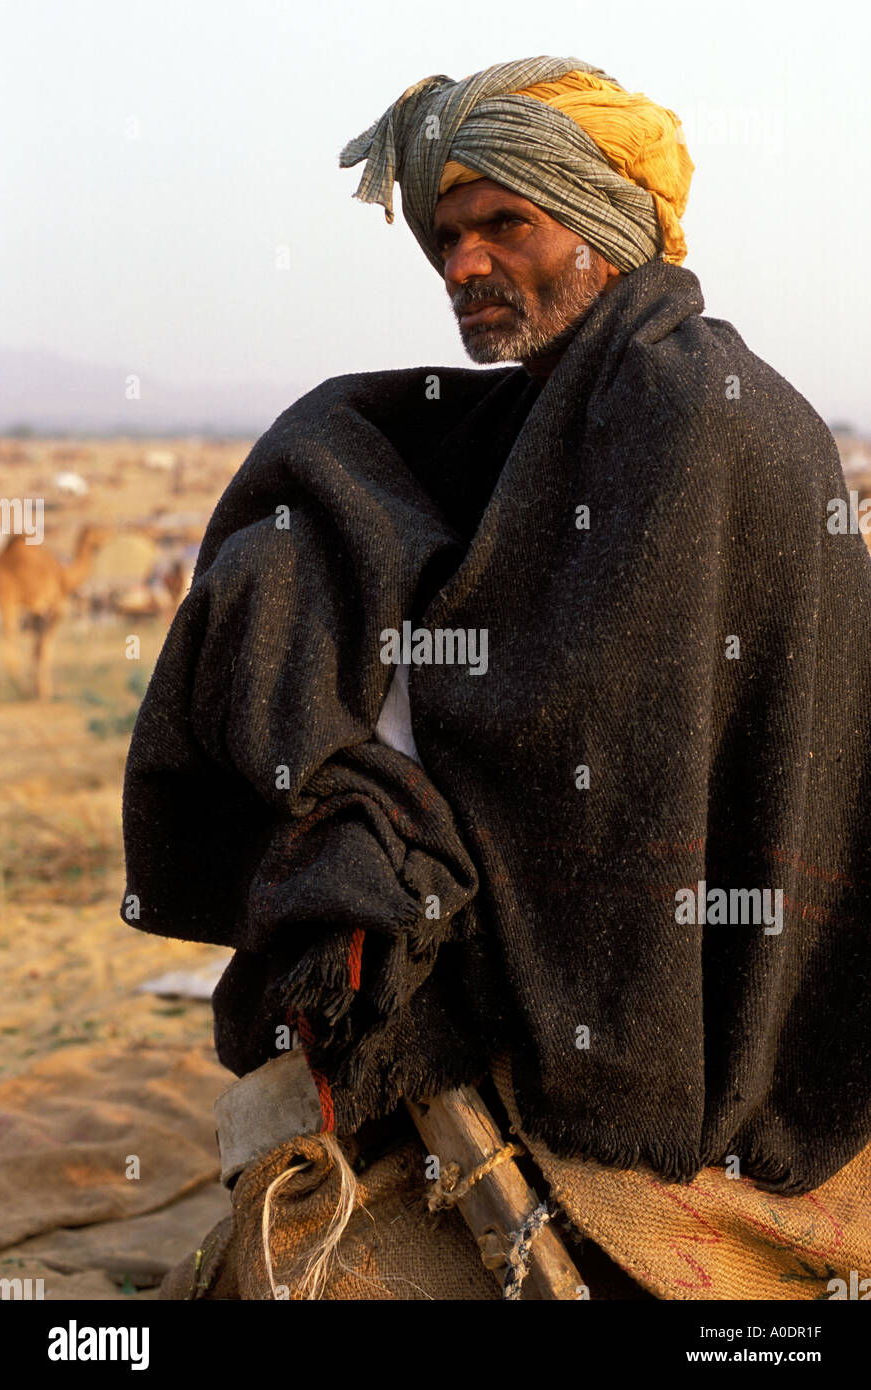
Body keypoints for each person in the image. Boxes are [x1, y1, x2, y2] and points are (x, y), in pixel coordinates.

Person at [122, 56, 871, 1215]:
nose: (463, 264)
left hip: (656, 955)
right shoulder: (568, 395)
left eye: (502, 225)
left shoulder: (681, 401)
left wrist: (364, 773)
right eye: (445, 235)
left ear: (599, 221)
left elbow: (586, 733)